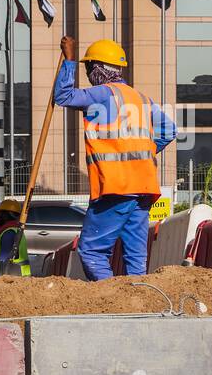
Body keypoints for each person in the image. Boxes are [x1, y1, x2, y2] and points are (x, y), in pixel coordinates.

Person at [54, 35, 176, 279]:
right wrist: (143, 152)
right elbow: (169, 130)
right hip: (144, 188)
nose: (89, 74)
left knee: (92, 251)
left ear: (98, 67)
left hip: (115, 187)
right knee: (136, 258)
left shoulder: (101, 94)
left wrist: (69, 60)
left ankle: (111, 295)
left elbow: (63, 96)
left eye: (89, 68)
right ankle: (139, 297)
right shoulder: (142, 99)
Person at [0, 198, 31, 277]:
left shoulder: (8, 233)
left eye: (0, 214)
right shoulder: (15, 230)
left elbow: (2, 262)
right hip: (19, 277)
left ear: (5, 215)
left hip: (12, 278)